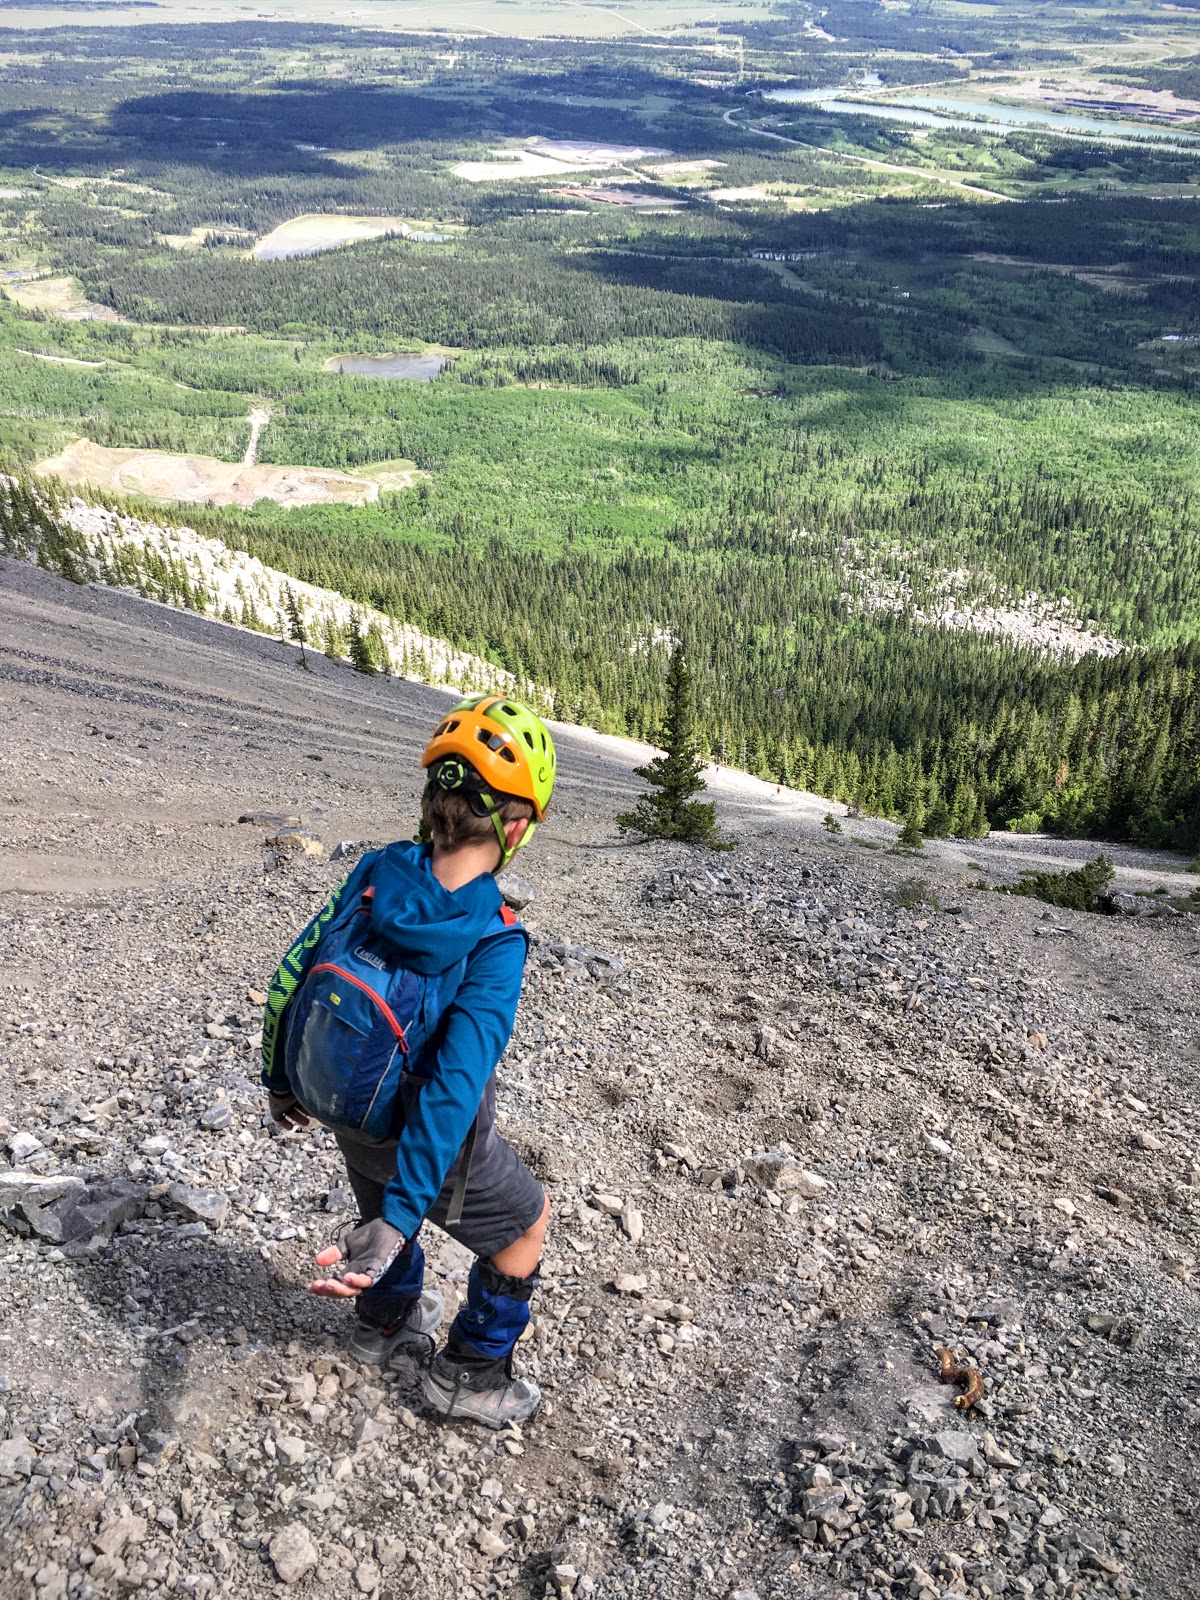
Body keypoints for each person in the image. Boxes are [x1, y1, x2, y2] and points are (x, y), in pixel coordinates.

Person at [259, 694, 556, 1428]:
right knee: (524, 1228)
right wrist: (399, 1220)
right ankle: (469, 1374)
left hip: (339, 1095)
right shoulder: (495, 938)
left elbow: (292, 973)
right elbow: (454, 1087)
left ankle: (384, 1321)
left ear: (433, 803)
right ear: (515, 828)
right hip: (421, 1134)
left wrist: (279, 1078)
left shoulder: (377, 869)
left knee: (375, 1195)